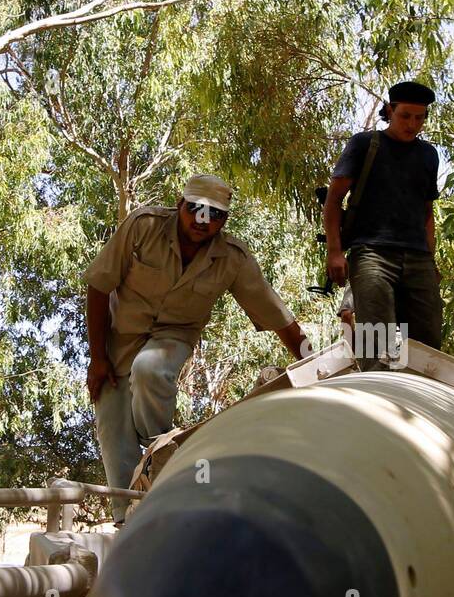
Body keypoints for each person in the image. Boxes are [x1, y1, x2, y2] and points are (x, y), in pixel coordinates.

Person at [85, 174, 309, 523]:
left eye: (215, 214)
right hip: (118, 340)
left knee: (150, 369)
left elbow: (277, 315)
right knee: (113, 432)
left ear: (225, 220)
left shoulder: (232, 259)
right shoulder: (143, 227)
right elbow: (98, 286)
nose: (203, 220)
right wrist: (97, 359)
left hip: (172, 337)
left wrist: (313, 361)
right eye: (196, 209)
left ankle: (159, 449)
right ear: (180, 205)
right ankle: (128, 521)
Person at [323, 80, 443, 370]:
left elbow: (427, 213)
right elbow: (333, 200)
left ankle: (421, 400)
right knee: (375, 338)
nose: (412, 124)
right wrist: (334, 252)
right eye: (405, 116)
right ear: (390, 110)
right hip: (372, 252)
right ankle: (374, 392)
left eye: (419, 118)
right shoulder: (365, 145)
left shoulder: (428, 155)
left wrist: (431, 258)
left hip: (417, 256)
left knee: (428, 343)